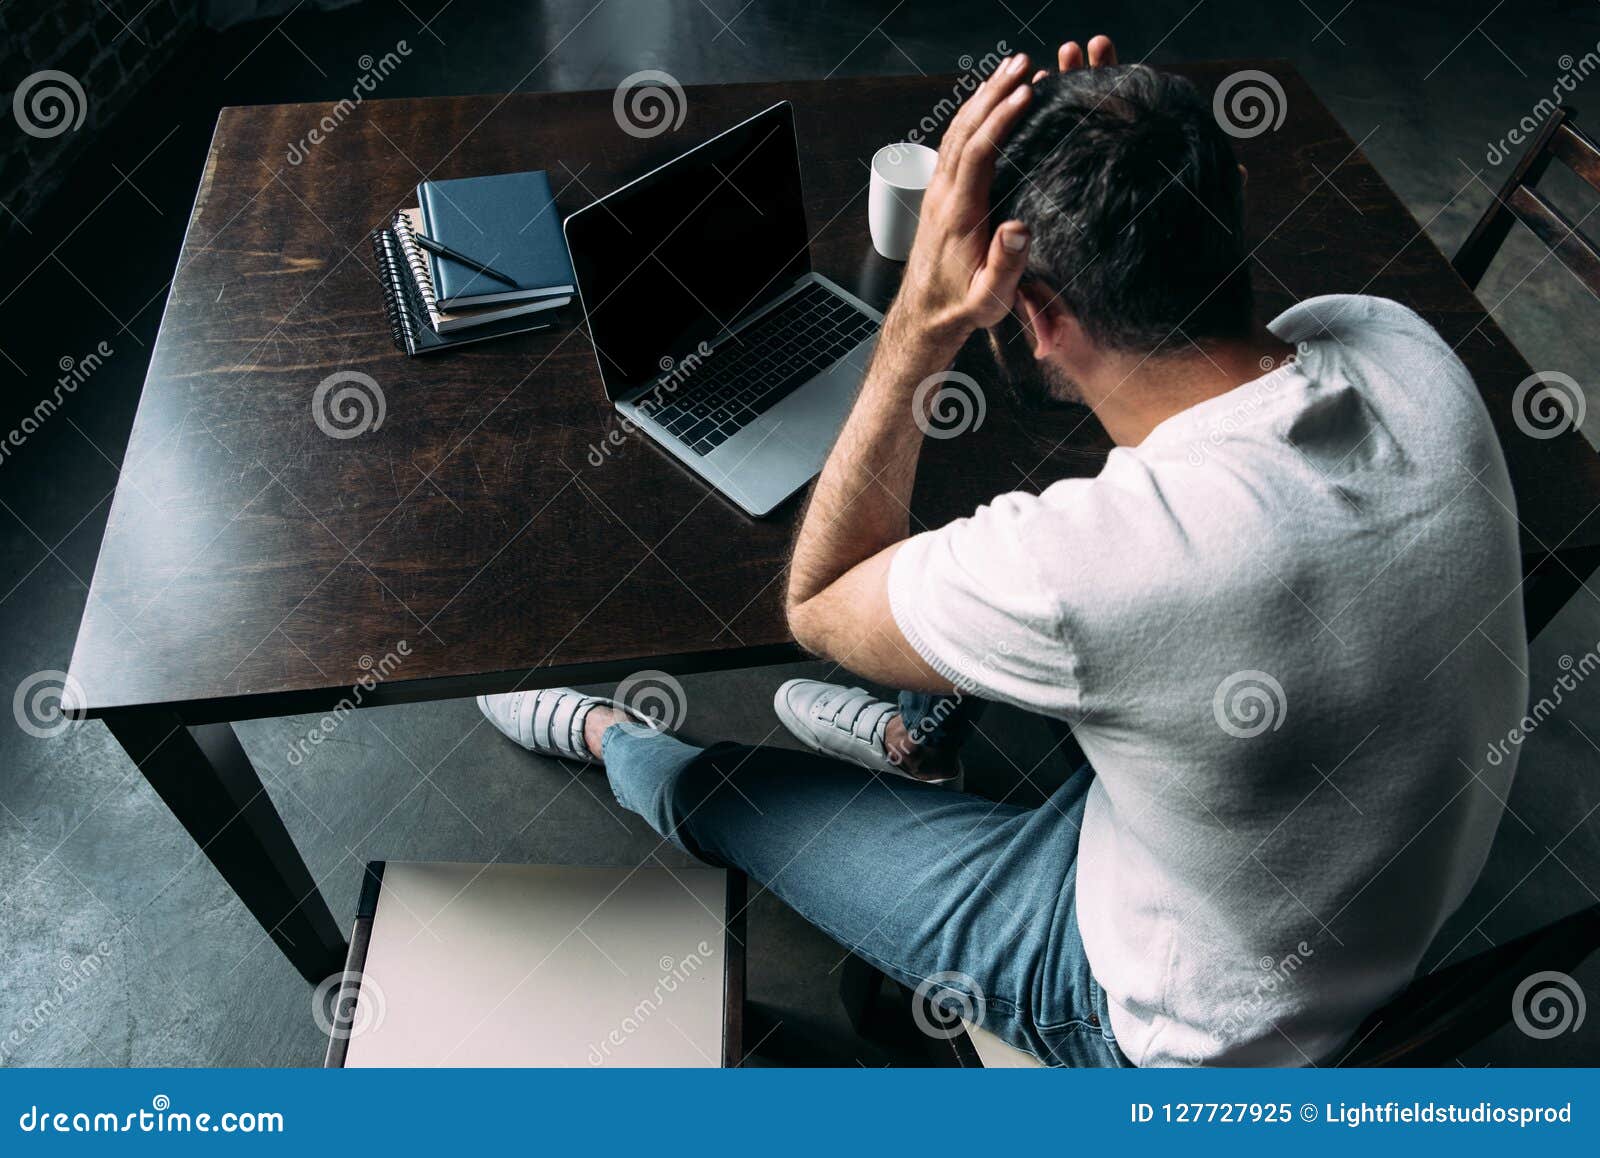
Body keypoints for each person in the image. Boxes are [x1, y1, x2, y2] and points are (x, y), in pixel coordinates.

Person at [479, 36, 1529, 1066]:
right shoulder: (1391, 338)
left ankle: (618, 736)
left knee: (728, 799)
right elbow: (1199, 412)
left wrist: (920, 326)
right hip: (1329, 883)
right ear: (1230, 196)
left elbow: (821, 603)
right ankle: (912, 746)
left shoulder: (1090, 568)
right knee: (1031, 631)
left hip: (1164, 1021)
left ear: (1032, 312)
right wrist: (1112, 162)